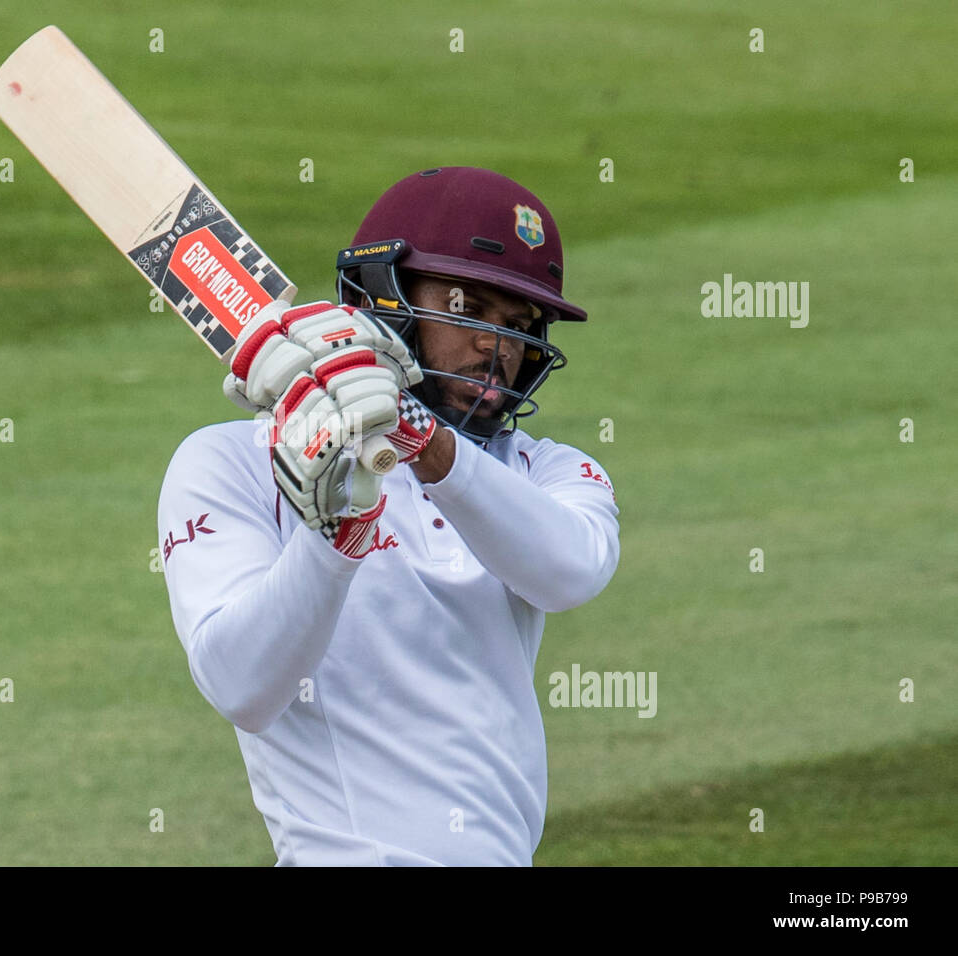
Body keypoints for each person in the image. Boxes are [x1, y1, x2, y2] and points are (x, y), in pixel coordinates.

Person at [157, 167, 619, 865]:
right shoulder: (234, 463)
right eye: (466, 306)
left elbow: (570, 573)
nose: (497, 346)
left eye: (519, 326)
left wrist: (416, 438)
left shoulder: (548, 472)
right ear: (384, 295)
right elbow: (240, 686)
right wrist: (335, 542)